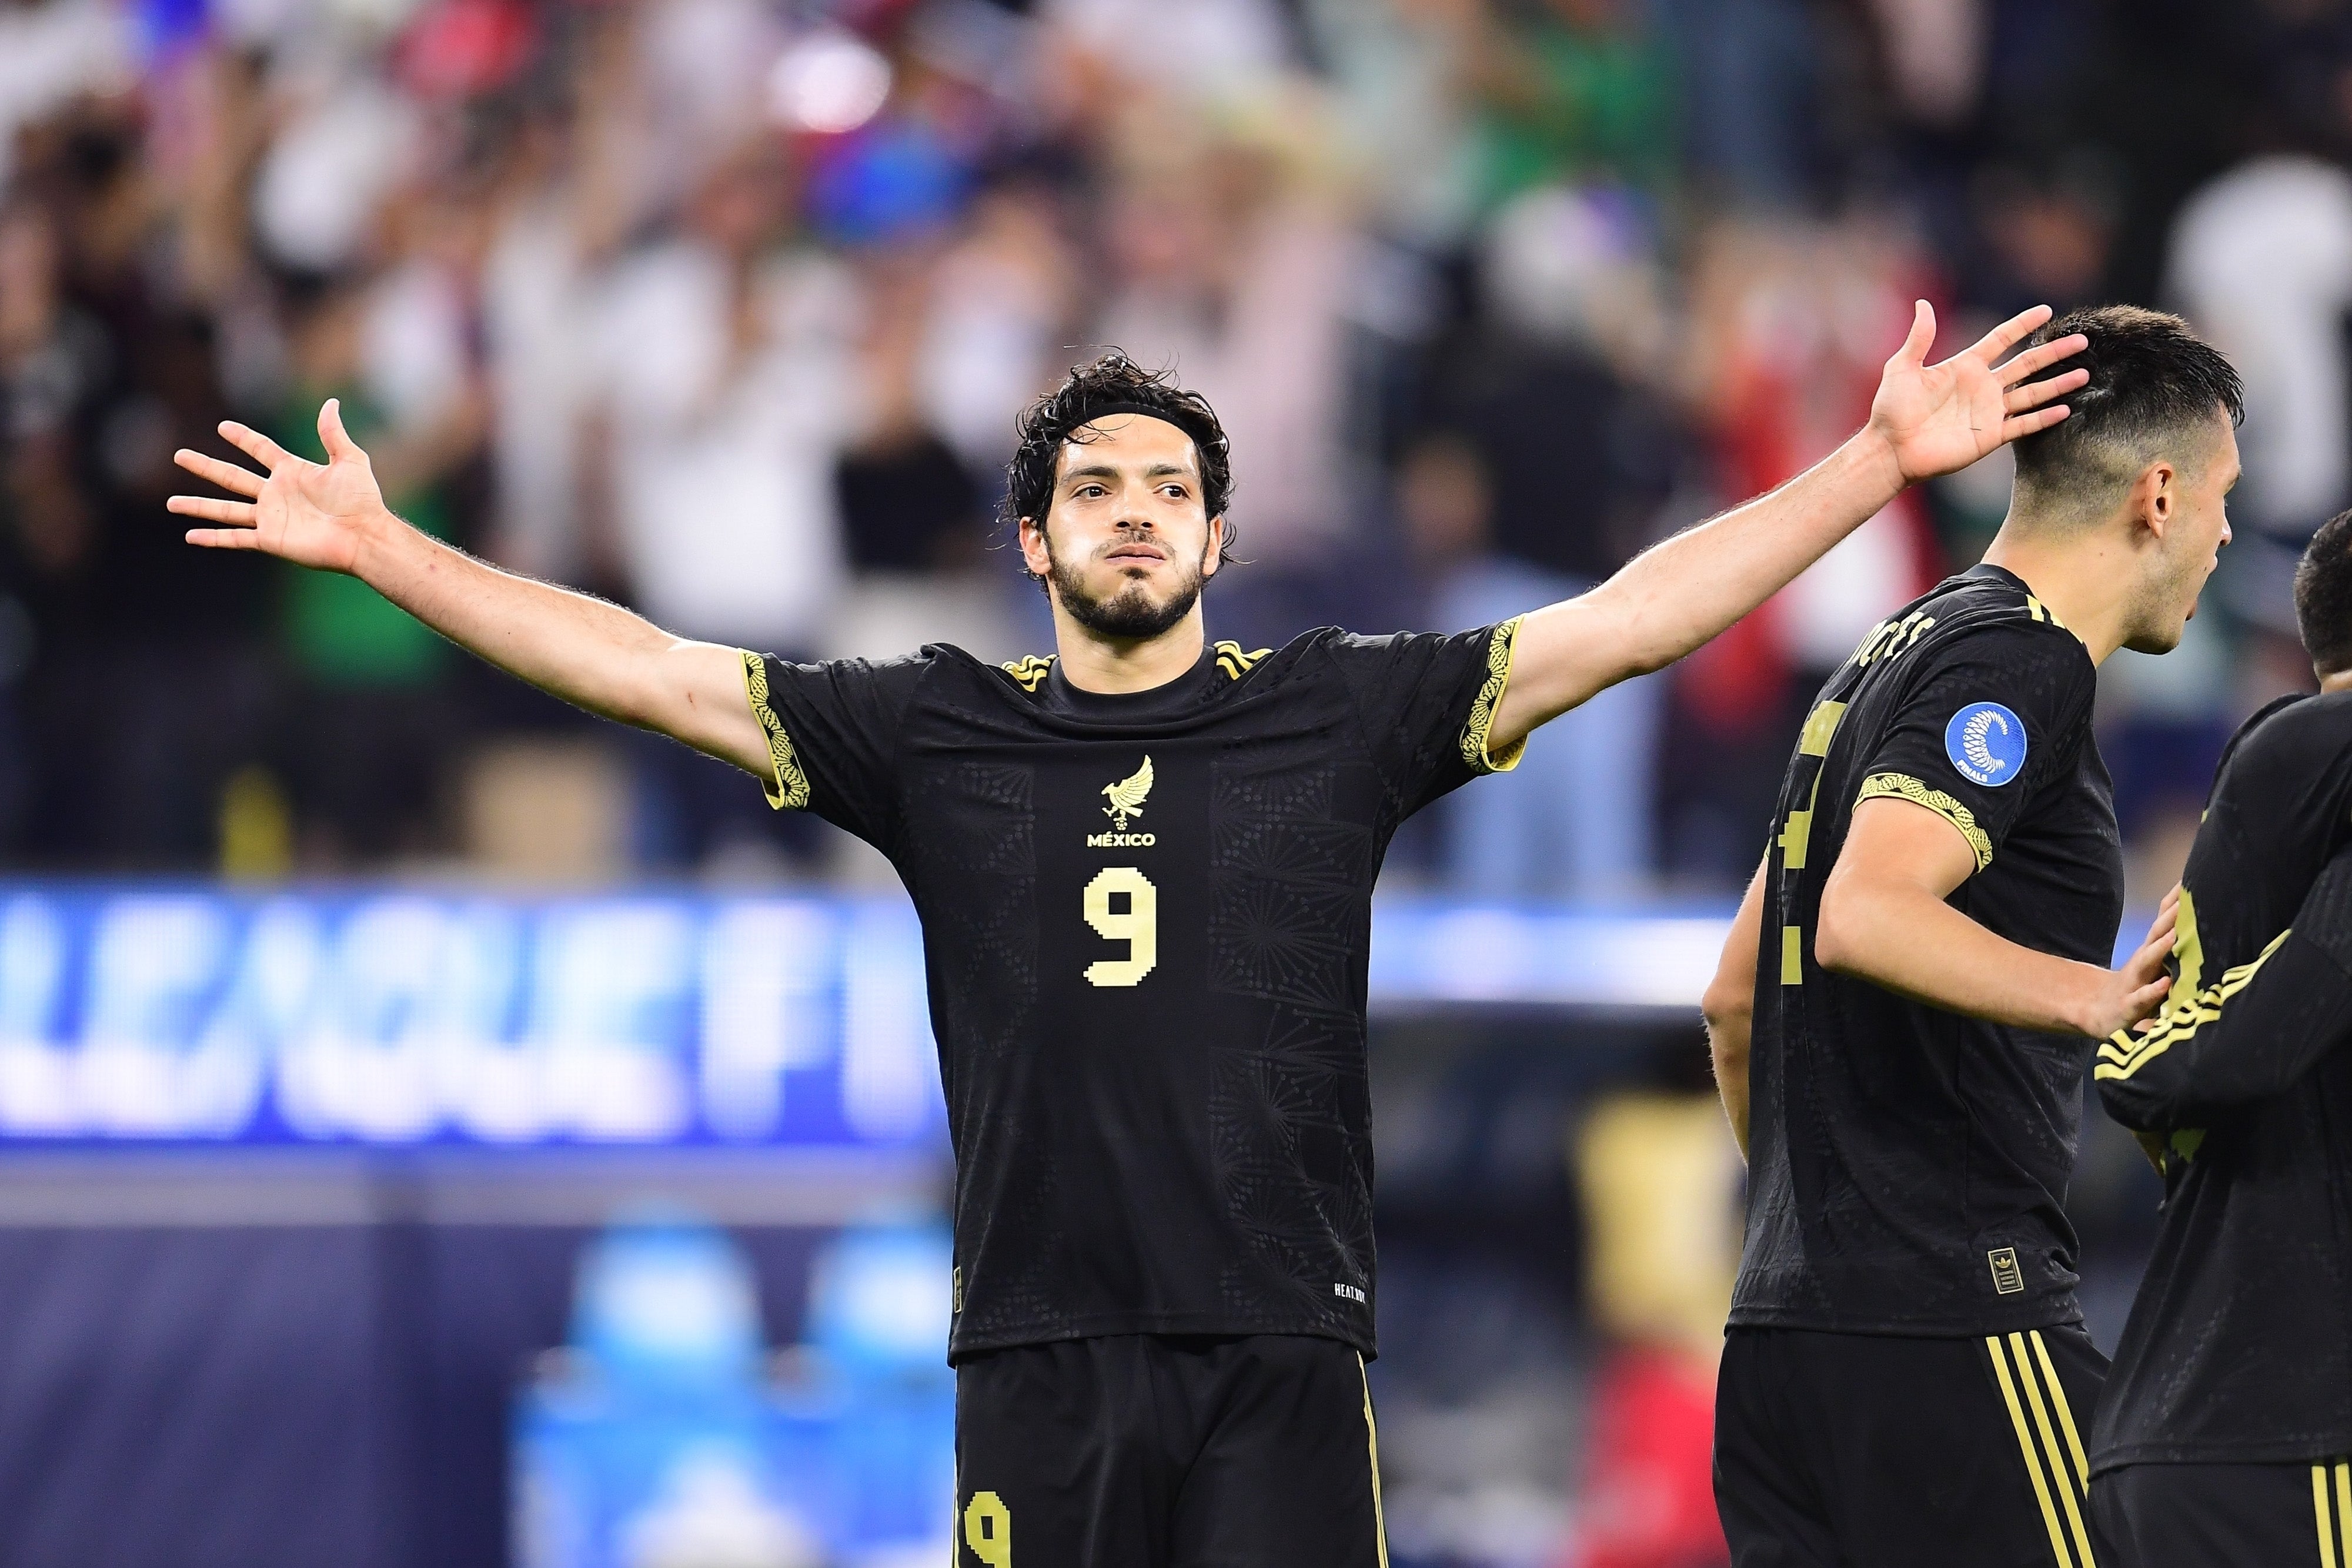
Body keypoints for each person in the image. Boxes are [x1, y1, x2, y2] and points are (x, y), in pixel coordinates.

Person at [172, 309, 2084, 1563]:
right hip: (1040, 1346)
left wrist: (1871, 467)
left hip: (1281, 1342)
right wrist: (390, 547)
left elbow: (1628, 616)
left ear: (1221, 536)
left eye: (1173, 486)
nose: (1139, 512)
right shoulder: (929, 727)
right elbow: (655, 669)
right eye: (1099, 486)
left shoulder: (1339, 711)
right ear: (1035, 537)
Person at [1700, 304, 2243, 1568]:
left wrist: (1822, 1232)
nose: (2224, 534)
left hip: (1780, 1340)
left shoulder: (1873, 662)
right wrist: (2095, 995)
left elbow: (1735, 997)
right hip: (1952, 1324)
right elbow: (1866, 912)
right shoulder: (2019, 665)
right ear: (2156, 495)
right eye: (2222, 496)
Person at [2086, 508, 2352, 1567]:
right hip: (2293, 1427)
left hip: (2213, 1417)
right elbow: (2192, 1059)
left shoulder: (2285, 790)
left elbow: (2150, 1064)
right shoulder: (2305, 749)